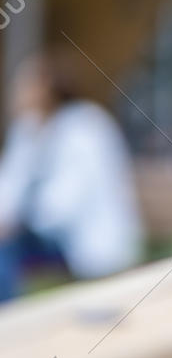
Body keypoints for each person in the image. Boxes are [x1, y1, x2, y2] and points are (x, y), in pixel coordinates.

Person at [0, 48, 143, 300]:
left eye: (24, 83)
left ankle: (8, 325)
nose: (16, 90)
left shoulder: (86, 126)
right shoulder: (28, 128)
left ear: (46, 86)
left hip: (84, 241)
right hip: (45, 235)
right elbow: (9, 186)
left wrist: (19, 223)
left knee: (5, 252)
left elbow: (68, 202)